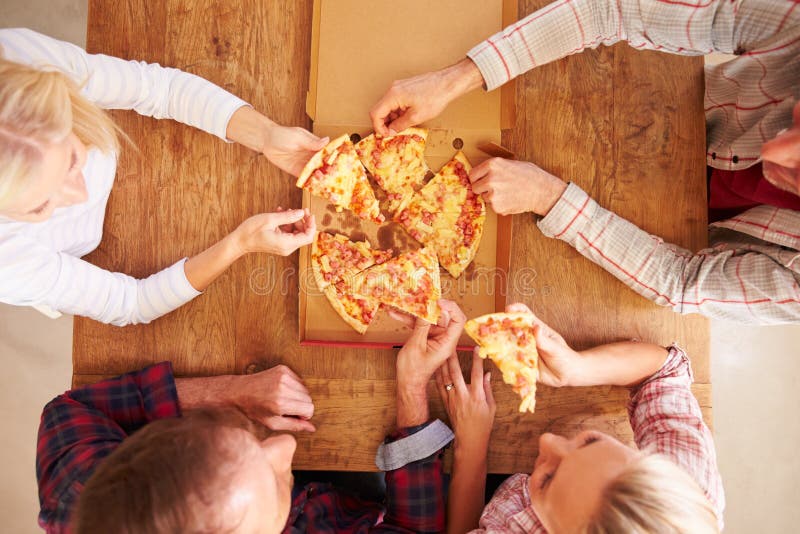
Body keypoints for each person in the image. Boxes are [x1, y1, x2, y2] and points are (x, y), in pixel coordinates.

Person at [370, 0, 800, 325]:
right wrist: (452, 79)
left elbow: (682, 283)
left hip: (662, 232)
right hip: (652, 113)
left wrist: (549, 197)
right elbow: (610, 9)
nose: (772, 152)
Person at [35, 299, 467, 533]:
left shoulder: (80, 500)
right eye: (276, 483)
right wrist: (412, 391)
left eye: (244, 438)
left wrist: (230, 395)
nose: (286, 446)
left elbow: (71, 411)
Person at [0, 28, 325, 325]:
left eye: (72, 160)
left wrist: (266, 135)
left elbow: (160, 89)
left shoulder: (24, 65)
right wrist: (239, 244)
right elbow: (131, 303)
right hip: (93, 246)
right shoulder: (8, 266)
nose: (79, 194)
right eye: (40, 207)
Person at [435, 303, 724, 533]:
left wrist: (470, 451)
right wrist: (577, 368)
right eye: (589, 442)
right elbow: (663, 372)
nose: (547, 441)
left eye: (548, 479)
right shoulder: (682, 493)